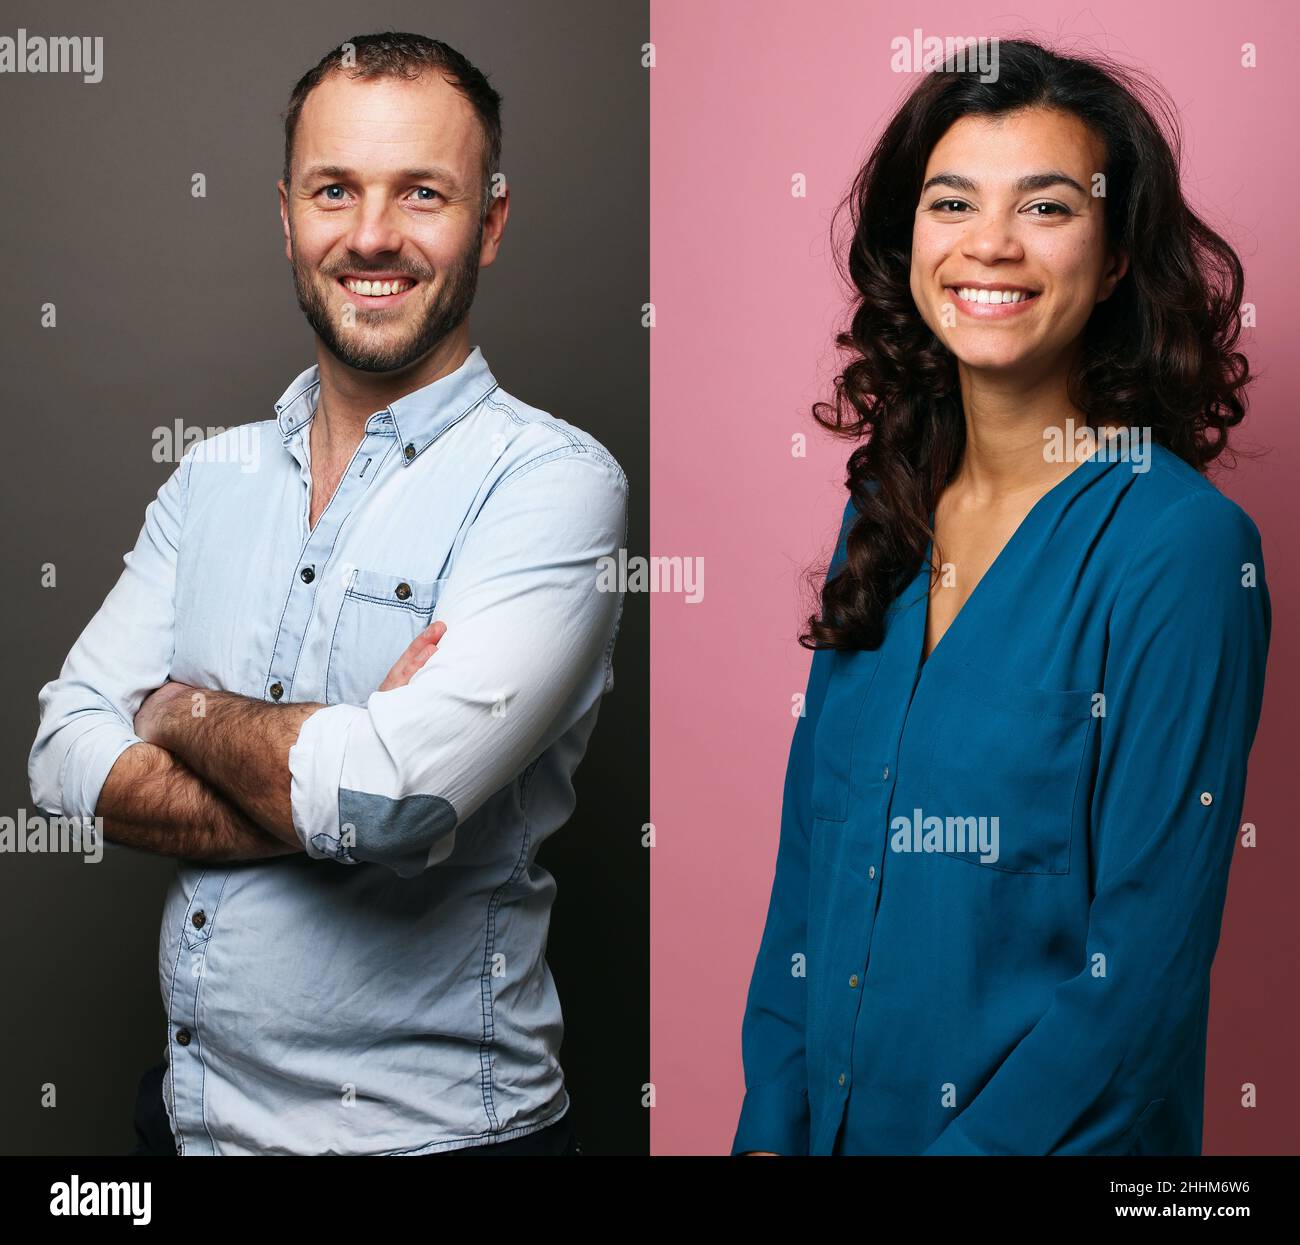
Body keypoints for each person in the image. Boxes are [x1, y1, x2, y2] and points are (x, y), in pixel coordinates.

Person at [29, 31, 625, 1156]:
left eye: (422, 194)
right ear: (287, 215)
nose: (371, 236)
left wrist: (171, 710)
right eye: (334, 190)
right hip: (188, 1129)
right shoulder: (210, 477)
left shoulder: (554, 486)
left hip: (436, 1144)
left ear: (489, 223)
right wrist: (334, 771)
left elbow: (389, 805)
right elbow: (61, 756)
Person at [732, 39, 1270, 1156]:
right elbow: (807, 888)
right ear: (908, 239)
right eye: (951, 202)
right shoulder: (882, 515)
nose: (990, 244)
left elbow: (1139, 986)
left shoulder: (1181, 550)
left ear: (1117, 255)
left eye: (1047, 208)